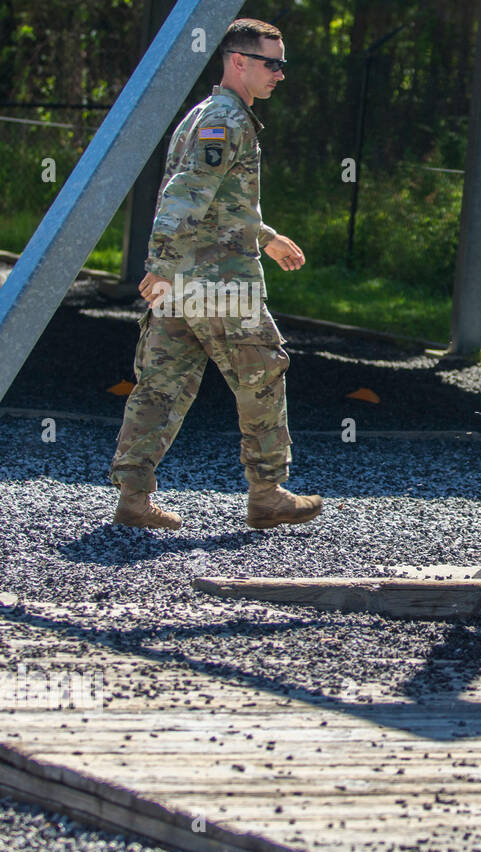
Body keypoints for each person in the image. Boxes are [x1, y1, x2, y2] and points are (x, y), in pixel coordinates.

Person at [110, 18, 322, 531]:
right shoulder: (226, 121)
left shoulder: (206, 116)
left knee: (161, 385)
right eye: (272, 64)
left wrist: (265, 235)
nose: (280, 74)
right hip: (219, 283)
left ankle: (133, 500)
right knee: (262, 375)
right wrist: (157, 266)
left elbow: (219, 200)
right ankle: (267, 494)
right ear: (239, 62)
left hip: (187, 281)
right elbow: (184, 194)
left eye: (282, 64)